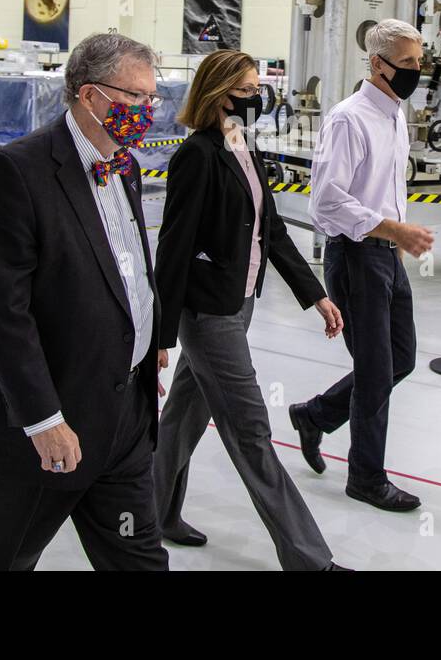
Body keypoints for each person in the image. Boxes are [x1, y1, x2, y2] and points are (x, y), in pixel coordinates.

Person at [0, 32, 169, 571]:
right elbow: (1, 314)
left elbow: (127, 267)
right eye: (135, 98)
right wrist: (42, 419)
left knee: (140, 560)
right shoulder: (17, 174)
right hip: (40, 429)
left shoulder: (127, 167)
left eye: (152, 100)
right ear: (90, 96)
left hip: (123, 417)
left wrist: (145, 343)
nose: (147, 112)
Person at [153, 49, 348, 571]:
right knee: (252, 434)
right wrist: (160, 336)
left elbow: (272, 230)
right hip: (208, 314)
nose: (257, 98)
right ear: (221, 94)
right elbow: (173, 248)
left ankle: (150, 517)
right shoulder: (196, 156)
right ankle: (309, 560)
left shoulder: (243, 143)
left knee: (181, 418)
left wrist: (316, 294)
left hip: (241, 305)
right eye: (248, 90)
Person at [288, 19, 435, 512]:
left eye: (420, 61)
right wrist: (395, 230)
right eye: (409, 63)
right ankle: (366, 477)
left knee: (401, 357)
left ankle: (315, 415)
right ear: (378, 64)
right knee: (375, 371)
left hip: (387, 256)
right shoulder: (349, 118)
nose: (418, 71)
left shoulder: (395, 114)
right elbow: (326, 204)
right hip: (355, 257)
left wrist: (395, 238)